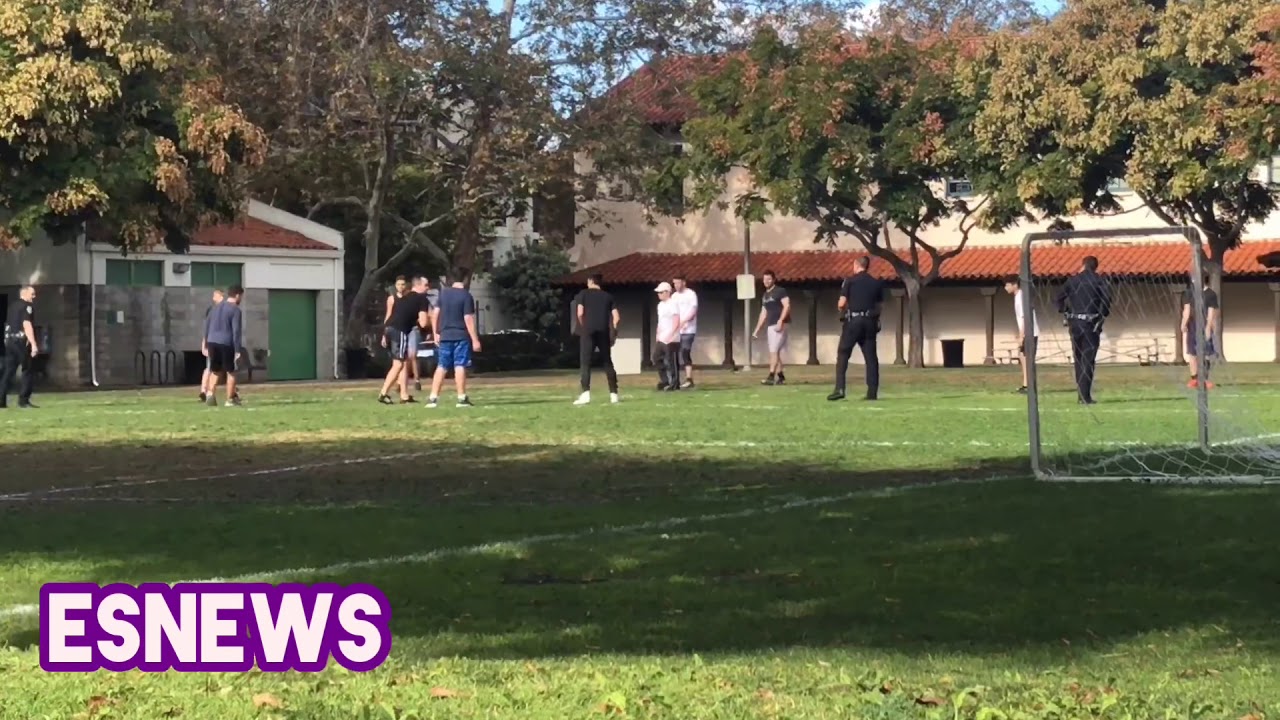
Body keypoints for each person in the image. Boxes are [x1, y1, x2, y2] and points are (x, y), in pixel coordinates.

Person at [1055, 255, 1112, 405]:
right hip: (1090, 324)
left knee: (1078, 359)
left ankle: (1081, 394)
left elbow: (1058, 298)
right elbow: (1106, 300)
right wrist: (1102, 315)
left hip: (1074, 323)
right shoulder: (1100, 280)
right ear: (1095, 267)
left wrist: (1065, 310)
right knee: (1088, 359)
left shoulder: (1072, 280)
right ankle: (1085, 396)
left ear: (1083, 265)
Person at [829, 257, 885, 402]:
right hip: (870, 321)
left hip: (853, 321)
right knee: (871, 357)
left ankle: (840, 388)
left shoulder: (849, 281)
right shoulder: (876, 283)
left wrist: (841, 308)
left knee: (843, 353)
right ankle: (872, 392)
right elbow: (879, 306)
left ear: (856, 265)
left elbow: (842, 303)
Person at [427, 270, 482, 408]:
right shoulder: (466, 296)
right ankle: (461, 398)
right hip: (460, 335)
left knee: (442, 366)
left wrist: (435, 333)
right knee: (459, 365)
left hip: (445, 335)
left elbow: (435, 314)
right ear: (465, 280)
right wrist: (475, 339)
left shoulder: (443, 295)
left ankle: (433, 398)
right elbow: (467, 318)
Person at [379, 276, 431, 404]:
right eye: (426, 285)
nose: (428, 288)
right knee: (398, 364)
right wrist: (431, 323)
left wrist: (384, 334)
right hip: (400, 330)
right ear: (418, 286)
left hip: (390, 329)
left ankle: (404, 395)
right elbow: (423, 323)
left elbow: (392, 315)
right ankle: (383, 393)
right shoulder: (422, 299)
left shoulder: (404, 297)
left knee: (402, 362)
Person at [573, 273, 621, 405]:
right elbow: (616, 317)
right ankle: (613, 394)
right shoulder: (608, 296)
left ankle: (586, 394)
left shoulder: (583, 294)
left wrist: (584, 327)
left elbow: (580, 313)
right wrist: (614, 331)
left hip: (588, 331)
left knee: (585, 363)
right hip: (603, 331)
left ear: (590, 281)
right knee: (607, 362)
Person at [203, 285, 244, 407]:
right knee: (231, 371)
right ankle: (230, 399)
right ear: (237, 295)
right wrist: (237, 349)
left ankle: (210, 395)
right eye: (241, 296)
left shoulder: (214, 308)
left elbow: (207, 326)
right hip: (226, 342)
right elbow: (236, 331)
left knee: (215, 370)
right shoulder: (235, 310)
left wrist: (205, 343)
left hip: (212, 341)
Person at [1, 285, 40, 409]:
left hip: (10, 342)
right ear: (24, 294)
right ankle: (23, 400)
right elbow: (27, 325)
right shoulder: (26, 307)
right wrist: (33, 344)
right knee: (27, 370)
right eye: (32, 294)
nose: (34, 297)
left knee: (8, 372)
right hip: (21, 343)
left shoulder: (12, 307)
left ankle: (1, 400)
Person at [1002, 274, 1039, 394]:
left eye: (1007, 285)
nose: (1005, 288)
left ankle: (1030, 386)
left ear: (1014, 285)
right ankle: (1026, 384)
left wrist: (1022, 336)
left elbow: (1025, 318)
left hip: (1030, 333)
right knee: (1023, 357)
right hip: (1027, 332)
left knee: (1027, 359)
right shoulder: (1018, 296)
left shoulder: (1021, 297)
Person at [1181, 275, 1220, 389]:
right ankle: (1194, 379)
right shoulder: (1189, 293)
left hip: (1204, 325)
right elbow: (1186, 309)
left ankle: (1205, 379)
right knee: (1192, 353)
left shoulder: (1210, 294)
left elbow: (1211, 312)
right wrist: (1183, 323)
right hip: (1193, 325)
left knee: (1205, 353)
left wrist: (1208, 327)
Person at [753, 270, 791, 386]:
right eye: (764, 279)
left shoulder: (780, 291)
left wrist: (781, 320)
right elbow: (763, 313)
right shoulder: (765, 295)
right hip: (770, 325)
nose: (766, 281)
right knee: (775, 352)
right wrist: (757, 329)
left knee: (773, 351)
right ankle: (781, 377)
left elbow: (787, 305)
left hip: (780, 324)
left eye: (769, 279)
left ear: (774, 279)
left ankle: (770, 376)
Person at [384, 276, 421, 391]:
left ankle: (402, 387)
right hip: (396, 330)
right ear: (395, 286)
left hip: (406, 329)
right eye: (398, 284)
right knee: (399, 361)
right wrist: (384, 333)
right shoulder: (392, 299)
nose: (400, 287)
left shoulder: (408, 299)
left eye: (403, 284)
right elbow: (388, 315)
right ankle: (388, 390)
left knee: (404, 358)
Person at [653, 281, 682, 391]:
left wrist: (671, 334)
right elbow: (660, 321)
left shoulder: (673, 304)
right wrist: (658, 334)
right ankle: (665, 381)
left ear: (667, 292)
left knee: (671, 361)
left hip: (672, 338)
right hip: (661, 337)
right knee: (656, 358)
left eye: (660, 292)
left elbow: (676, 320)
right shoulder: (660, 305)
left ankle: (674, 383)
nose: (658, 294)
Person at [672, 275, 698, 389]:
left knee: (685, 351)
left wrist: (685, 321)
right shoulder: (674, 296)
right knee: (674, 353)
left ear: (683, 282)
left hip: (688, 329)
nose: (676, 285)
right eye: (674, 283)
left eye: (678, 283)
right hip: (676, 330)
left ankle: (689, 379)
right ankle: (675, 379)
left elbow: (693, 310)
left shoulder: (691, 294)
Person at [199, 288, 225, 403]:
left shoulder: (218, 310)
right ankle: (207, 391)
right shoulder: (215, 311)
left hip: (214, 342)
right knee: (213, 368)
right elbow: (207, 328)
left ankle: (204, 390)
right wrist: (204, 343)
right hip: (216, 343)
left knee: (210, 367)